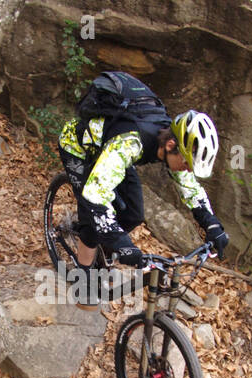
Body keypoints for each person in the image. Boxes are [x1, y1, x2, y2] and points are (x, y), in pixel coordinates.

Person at [57, 75, 229, 303]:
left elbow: (191, 189)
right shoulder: (132, 143)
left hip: (110, 153)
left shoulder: (168, 144)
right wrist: (123, 244)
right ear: (170, 145)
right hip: (78, 149)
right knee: (91, 217)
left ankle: (101, 245)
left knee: (134, 213)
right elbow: (95, 196)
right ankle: (83, 276)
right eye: (187, 164)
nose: (187, 171)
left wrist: (212, 223)